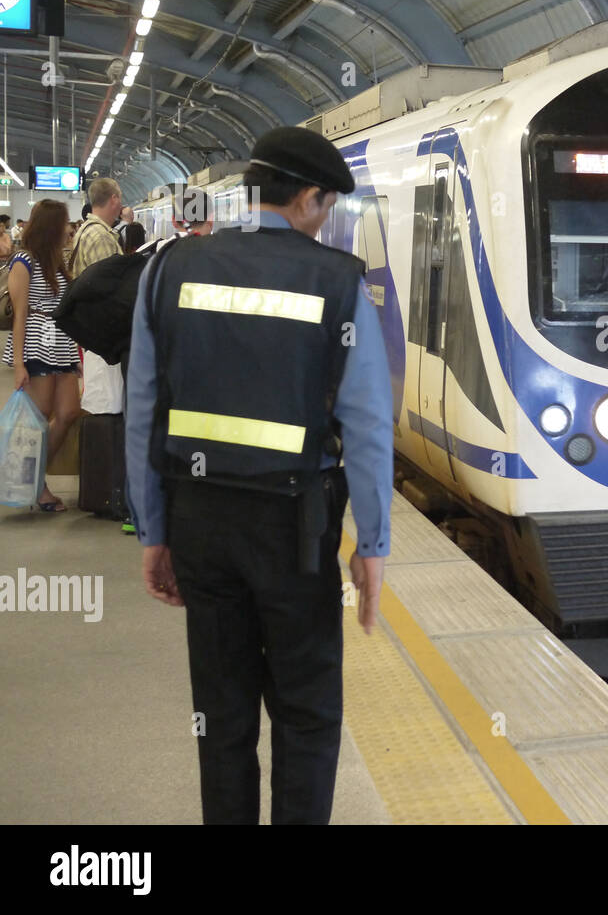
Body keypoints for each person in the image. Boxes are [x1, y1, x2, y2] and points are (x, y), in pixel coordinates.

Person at [126, 126, 393, 825]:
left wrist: (154, 531)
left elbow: (144, 410)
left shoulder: (169, 269)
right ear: (308, 198)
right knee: (306, 714)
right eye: (326, 204)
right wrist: (373, 544)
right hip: (295, 531)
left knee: (221, 715)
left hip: (200, 525)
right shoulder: (339, 281)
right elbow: (366, 424)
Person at [3, 199, 82, 511]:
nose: (68, 229)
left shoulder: (56, 261)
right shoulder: (24, 262)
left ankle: (30, 477)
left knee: (68, 413)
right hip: (37, 342)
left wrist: (75, 355)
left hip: (60, 342)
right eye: (64, 224)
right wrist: (19, 363)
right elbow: (19, 314)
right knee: (40, 417)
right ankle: (37, 486)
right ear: (52, 227)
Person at [71, 178, 124, 279]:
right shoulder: (101, 237)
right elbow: (107, 284)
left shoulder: (86, 229)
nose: (121, 204)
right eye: (120, 198)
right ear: (114, 199)